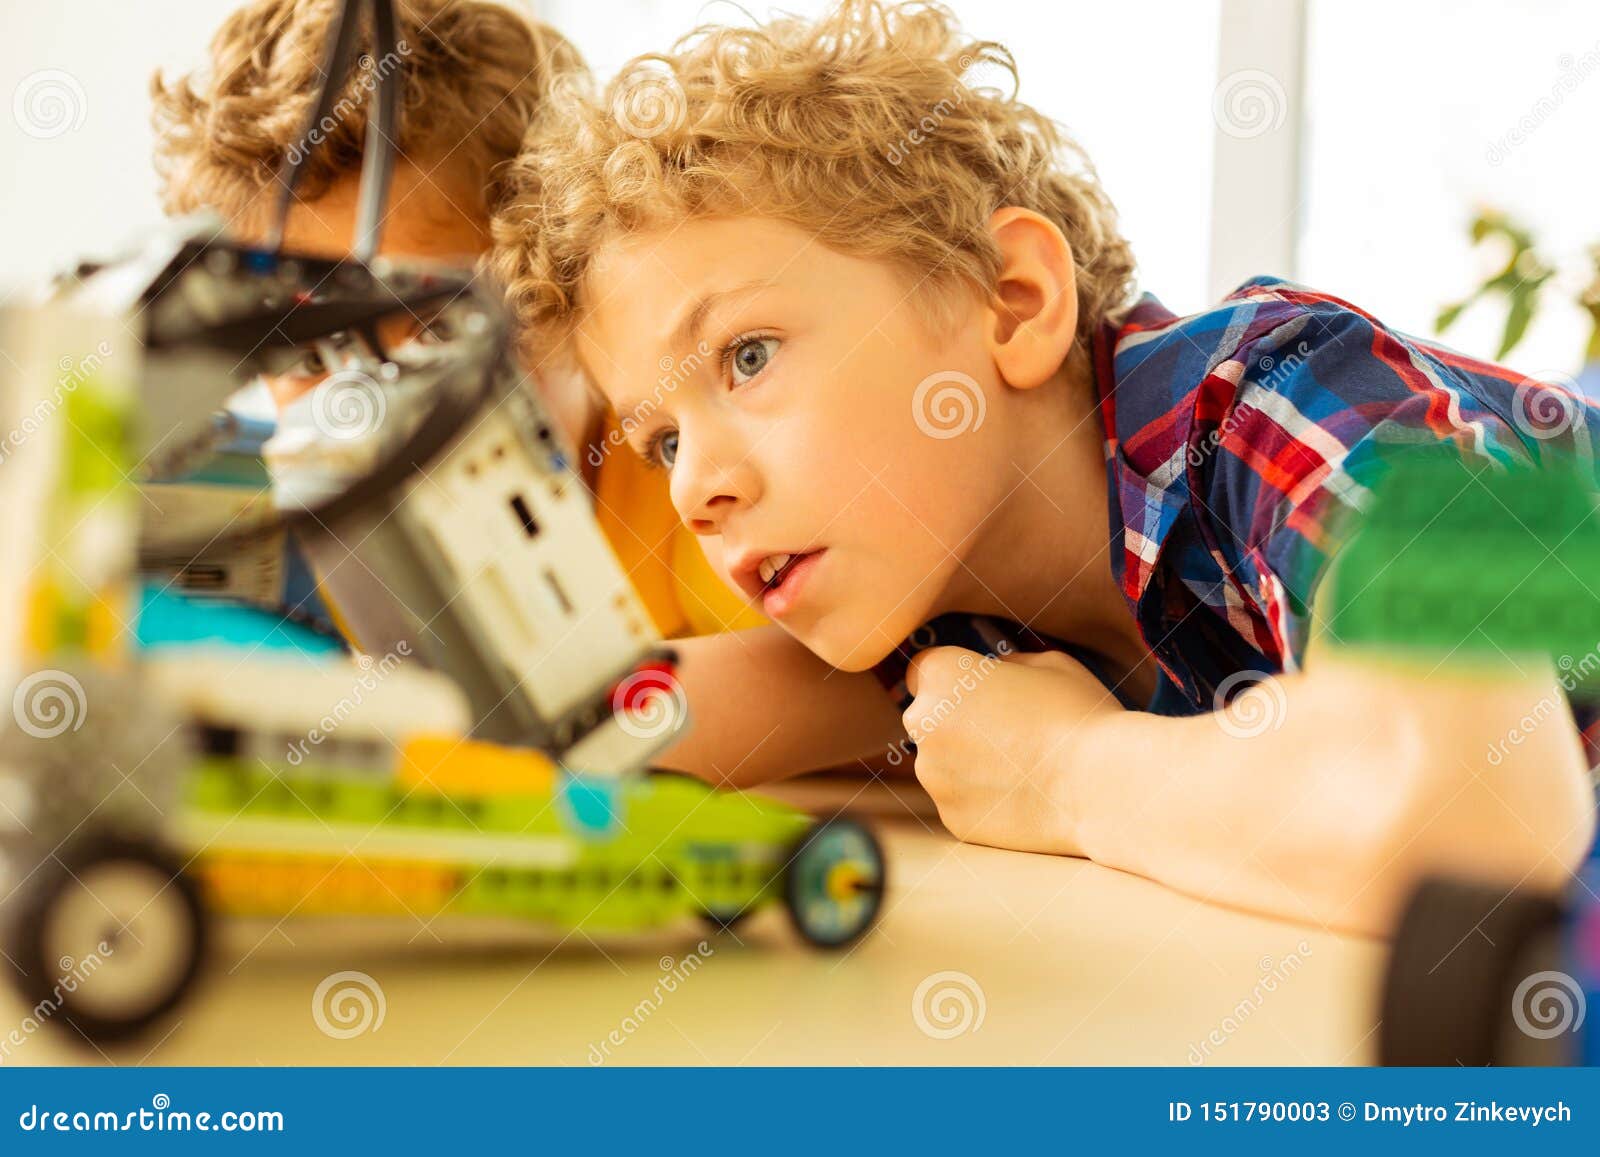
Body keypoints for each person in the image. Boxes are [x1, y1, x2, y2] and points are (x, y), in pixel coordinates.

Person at [490, 0, 1599, 934]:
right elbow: (607, 723)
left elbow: (1485, 822)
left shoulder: (1289, 391)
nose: (694, 489)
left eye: (747, 355)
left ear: (1013, 300)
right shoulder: (945, 589)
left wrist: (1067, 770)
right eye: (663, 439)